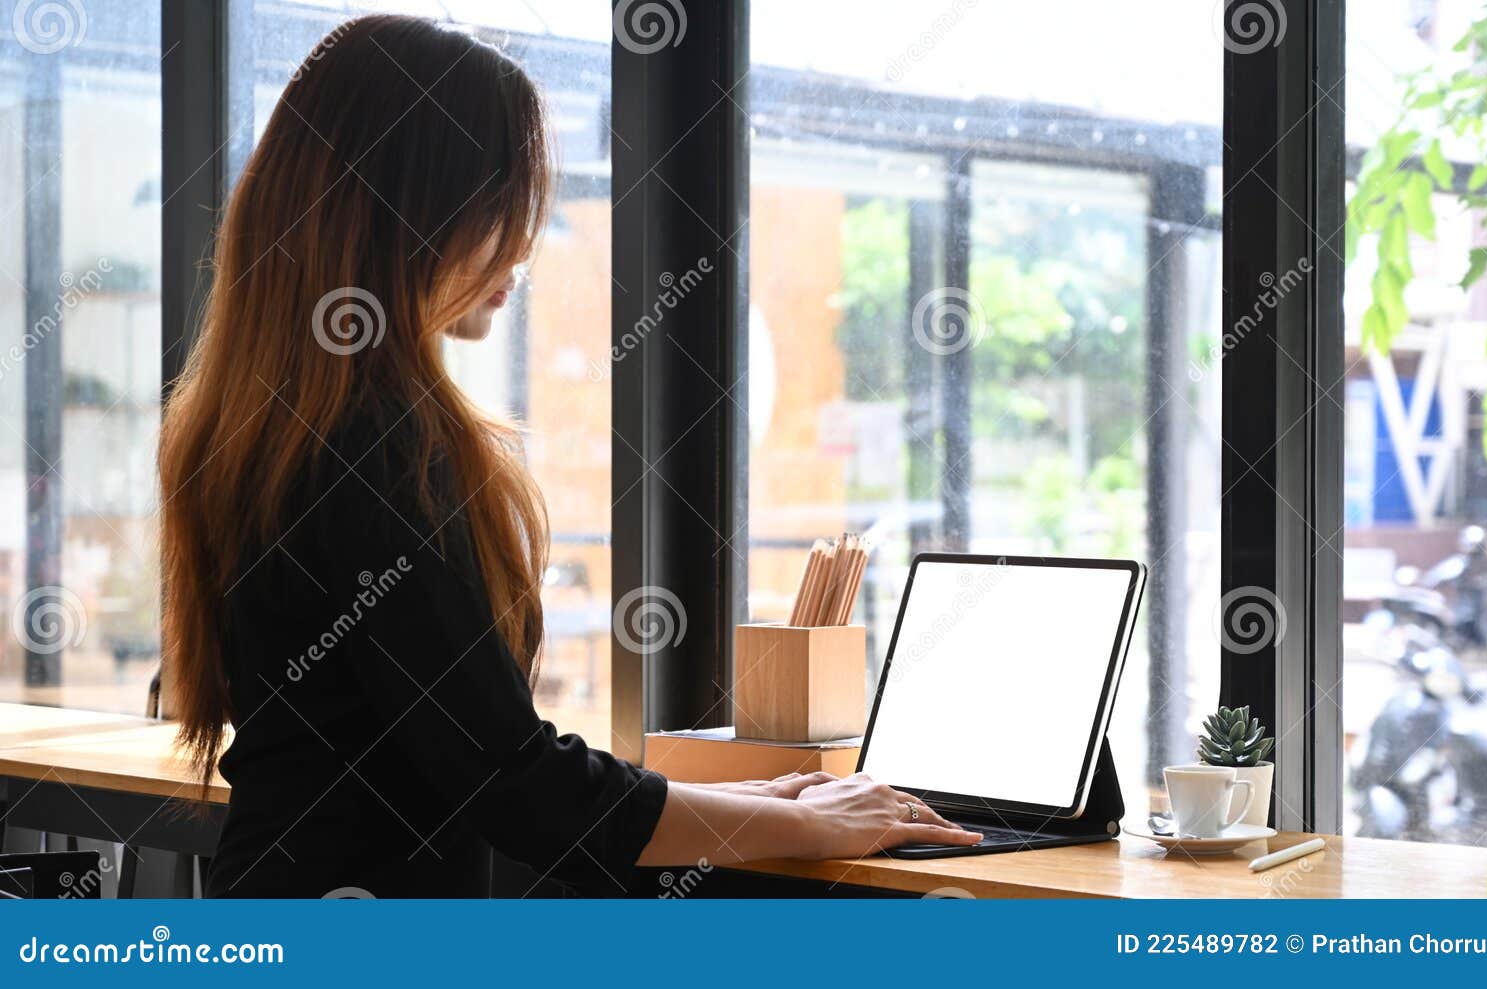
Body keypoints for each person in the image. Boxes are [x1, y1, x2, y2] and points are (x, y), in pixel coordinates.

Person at [158, 13, 979, 898]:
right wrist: (804, 820)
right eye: (499, 208)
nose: (521, 244)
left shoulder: (263, 423)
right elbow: (513, 780)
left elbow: (446, 752)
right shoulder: (377, 444)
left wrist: (745, 799)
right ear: (408, 212)